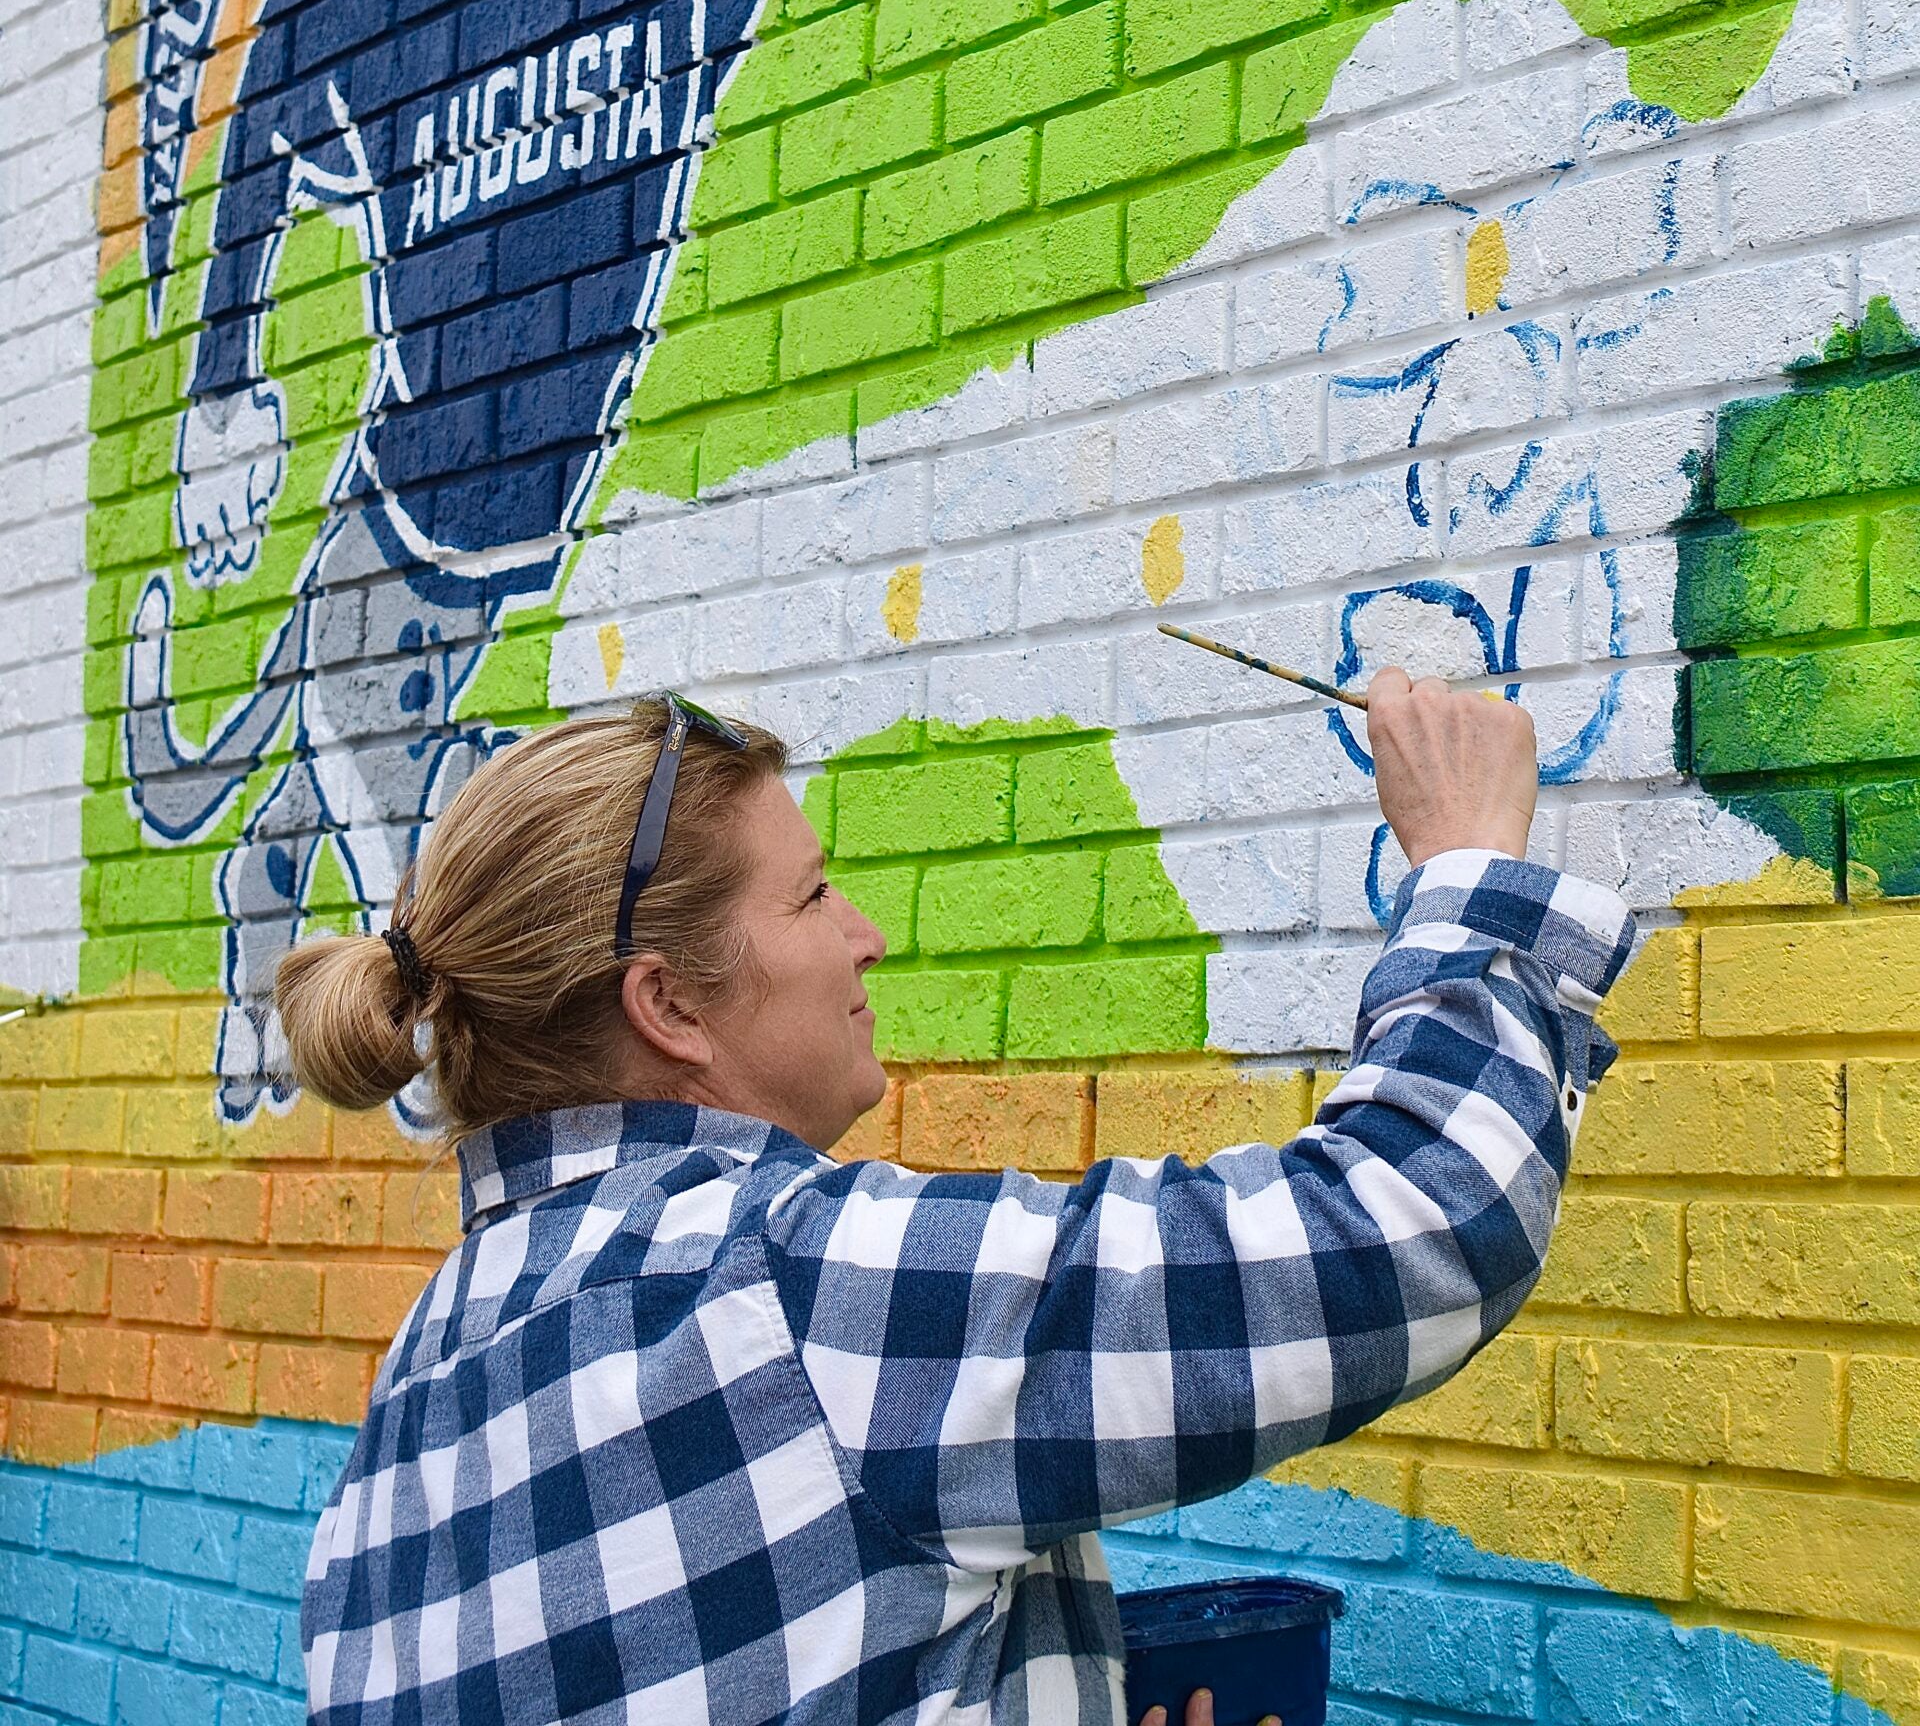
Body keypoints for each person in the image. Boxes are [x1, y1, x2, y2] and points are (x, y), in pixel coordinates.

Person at [280, 676, 1634, 1725]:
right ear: (670, 1005)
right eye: (809, 895)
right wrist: (1469, 872)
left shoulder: (400, 1425)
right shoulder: (787, 1296)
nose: (860, 933)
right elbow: (1412, 1224)